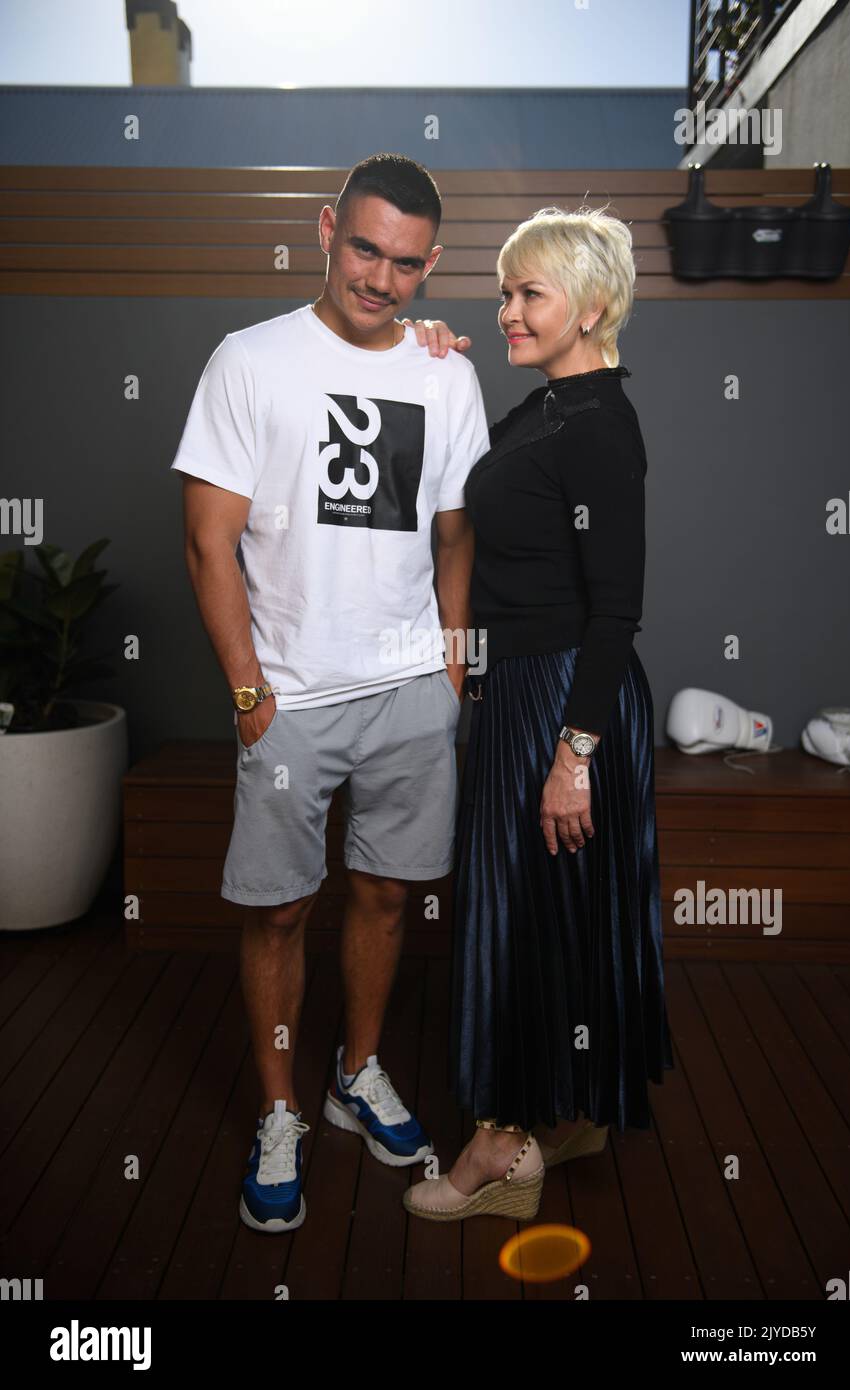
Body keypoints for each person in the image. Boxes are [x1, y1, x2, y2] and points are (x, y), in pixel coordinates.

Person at [170, 153, 488, 1233]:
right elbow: (207, 539)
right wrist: (249, 693)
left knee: (387, 895)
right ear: (324, 228)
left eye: (405, 264)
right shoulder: (249, 360)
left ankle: (357, 1071)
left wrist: (453, 666)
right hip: (291, 700)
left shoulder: (447, 375)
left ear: (429, 267)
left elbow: (456, 533)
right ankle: (279, 1110)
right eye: (364, 249)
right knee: (279, 909)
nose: (379, 279)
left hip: (410, 693)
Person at [404, 205, 675, 1223]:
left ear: (591, 308)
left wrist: (573, 756)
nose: (507, 310)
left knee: (517, 924)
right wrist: (432, 353)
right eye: (504, 292)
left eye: (529, 294)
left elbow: (617, 610)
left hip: (565, 704)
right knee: (548, 917)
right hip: (523, 691)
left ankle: (498, 1150)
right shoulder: (545, 407)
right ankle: (567, 1114)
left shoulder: (598, 426)